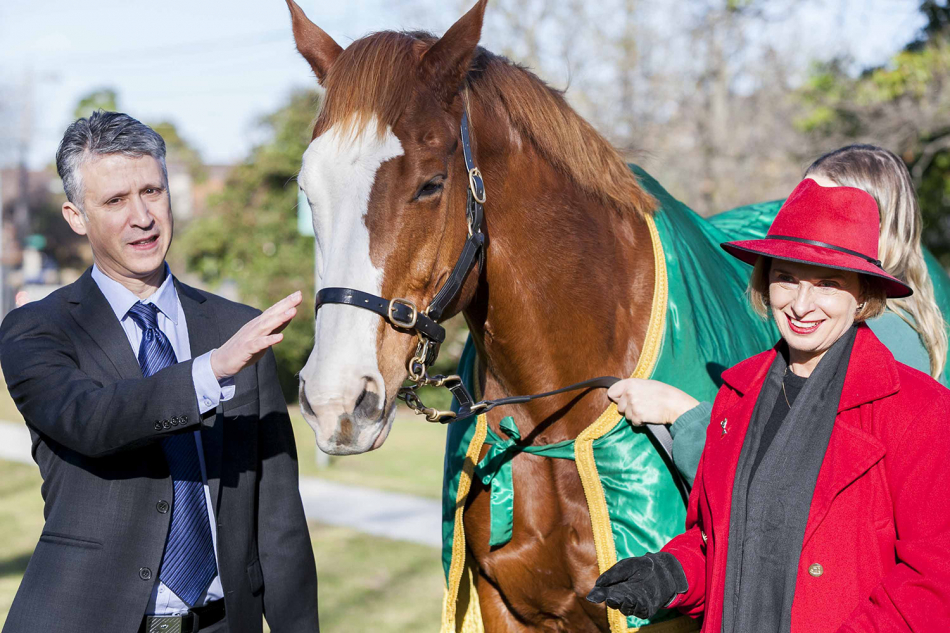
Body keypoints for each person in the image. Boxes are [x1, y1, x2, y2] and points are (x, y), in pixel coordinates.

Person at [0, 112, 319, 633]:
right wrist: (210, 371)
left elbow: (278, 520)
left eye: (152, 191)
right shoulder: (37, 330)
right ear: (76, 216)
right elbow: (91, 421)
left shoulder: (234, 327)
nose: (142, 216)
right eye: (115, 201)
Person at [587, 178, 950, 631]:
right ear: (765, 282)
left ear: (861, 296)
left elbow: (935, 579)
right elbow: (716, 543)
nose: (801, 304)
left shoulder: (919, 409)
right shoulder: (735, 397)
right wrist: (670, 574)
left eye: (827, 284)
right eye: (785, 278)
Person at [610, 144, 948, 486]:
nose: (801, 305)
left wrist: (681, 414)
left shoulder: (884, 341)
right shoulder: (848, 329)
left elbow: (785, 494)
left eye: (832, 207)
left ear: (876, 225)